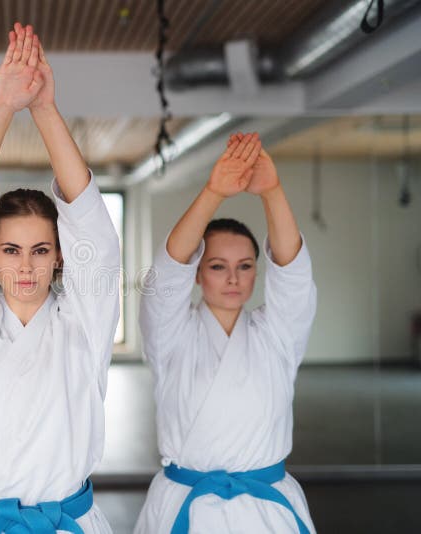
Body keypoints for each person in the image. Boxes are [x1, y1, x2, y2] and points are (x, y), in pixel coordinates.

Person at [0, 23, 121, 534]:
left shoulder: (86, 324)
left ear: (61, 257)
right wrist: (0, 110)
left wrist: (44, 110)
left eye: (41, 249)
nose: (26, 265)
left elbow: (95, 238)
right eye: (10, 250)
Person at [134, 133, 317, 533]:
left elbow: (294, 279)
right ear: (197, 274)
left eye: (246, 266)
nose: (233, 278)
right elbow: (166, 276)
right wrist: (213, 192)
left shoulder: (278, 336)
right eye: (218, 266)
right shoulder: (171, 335)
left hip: (267, 511)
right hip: (187, 505)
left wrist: (272, 191)